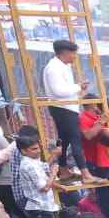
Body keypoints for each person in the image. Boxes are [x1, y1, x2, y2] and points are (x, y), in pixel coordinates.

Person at [42, 37, 89, 171]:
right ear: (64, 53)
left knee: (63, 140)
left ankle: (63, 169)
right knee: (76, 139)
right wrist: (78, 87)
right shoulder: (53, 68)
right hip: (63, 108)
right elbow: (59, 91)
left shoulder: (64, 66)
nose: (74, 56)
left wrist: (78, 88)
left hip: (67, 107)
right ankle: (84, 172)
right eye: (73, 53)